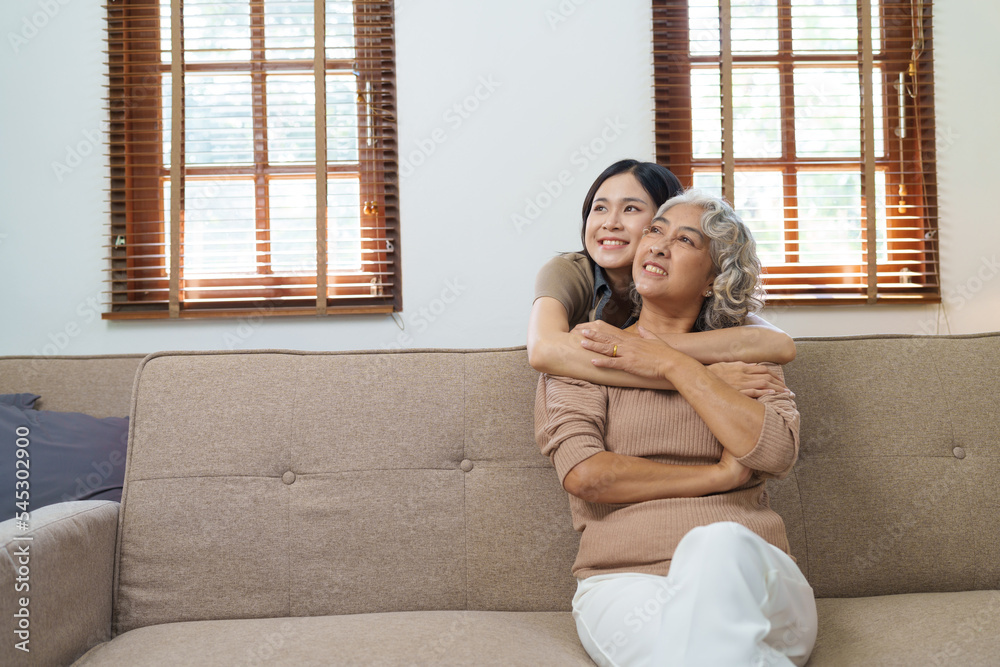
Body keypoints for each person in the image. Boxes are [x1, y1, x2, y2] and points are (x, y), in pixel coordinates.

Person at [535, 190, 817, 666]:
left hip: (757, 577)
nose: (658, 245)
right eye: (655, 230)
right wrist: (719, 477)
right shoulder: (588, 350)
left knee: (717, 543)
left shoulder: (746, 357)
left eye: (685, 240)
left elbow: (774, 454)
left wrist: (672, 364)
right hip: (626, 583)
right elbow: (586, 474)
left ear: (714, 279)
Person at [528, 159, 796, 396]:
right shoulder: (570, 271)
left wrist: (638, 348)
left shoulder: (681, 284)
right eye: (599, 208)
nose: (610, 222)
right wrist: (703, 378)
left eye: (631, 208)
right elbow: (544, 350)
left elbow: (779, 343)